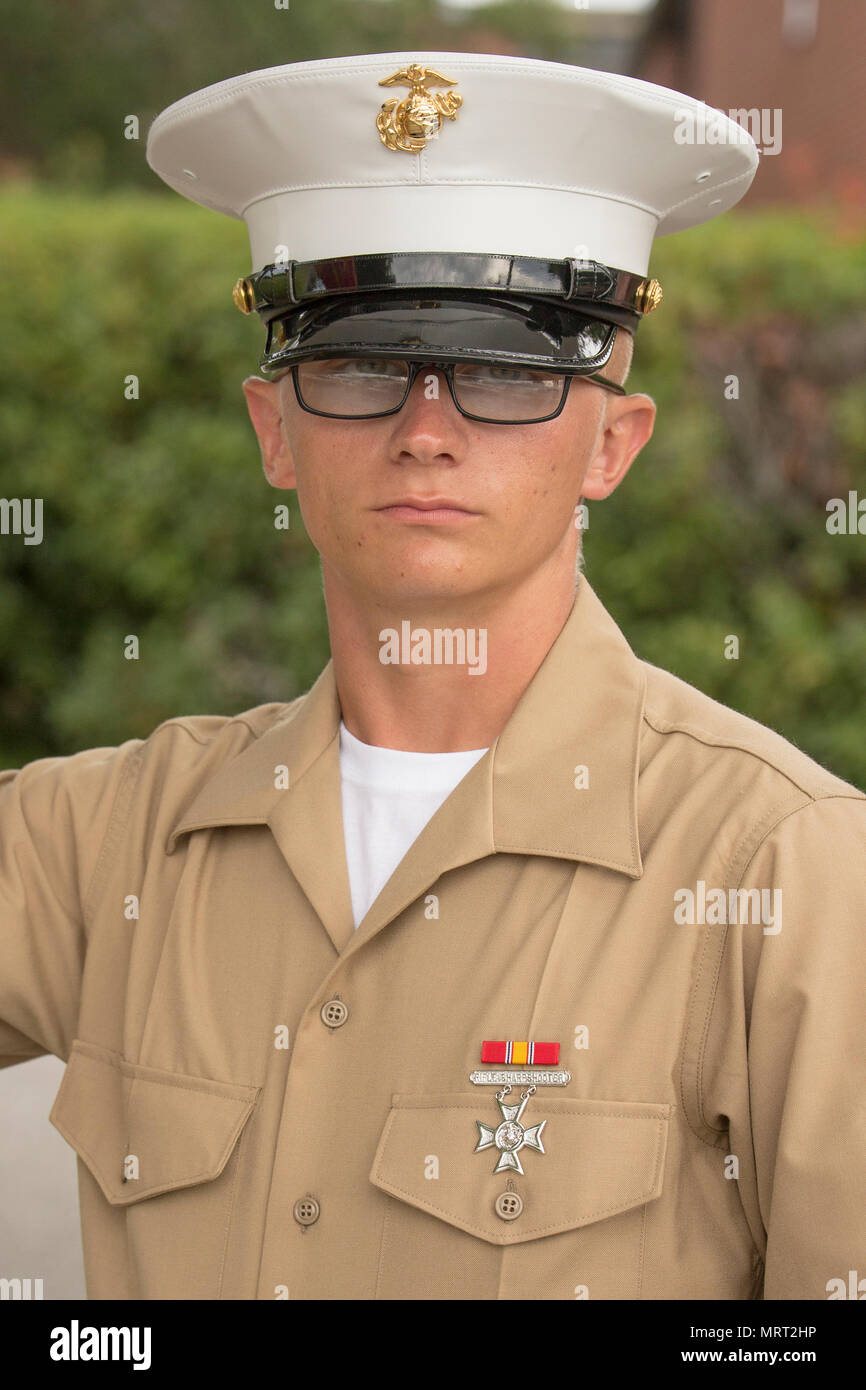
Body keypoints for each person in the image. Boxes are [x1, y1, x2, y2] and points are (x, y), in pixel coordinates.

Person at [2, 51, 864, 1302]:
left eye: (507, 373)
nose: (423, 429)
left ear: (611, 444)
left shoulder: (783, 871)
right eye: (359, 366)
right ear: (274, 430)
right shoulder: (104, 846)